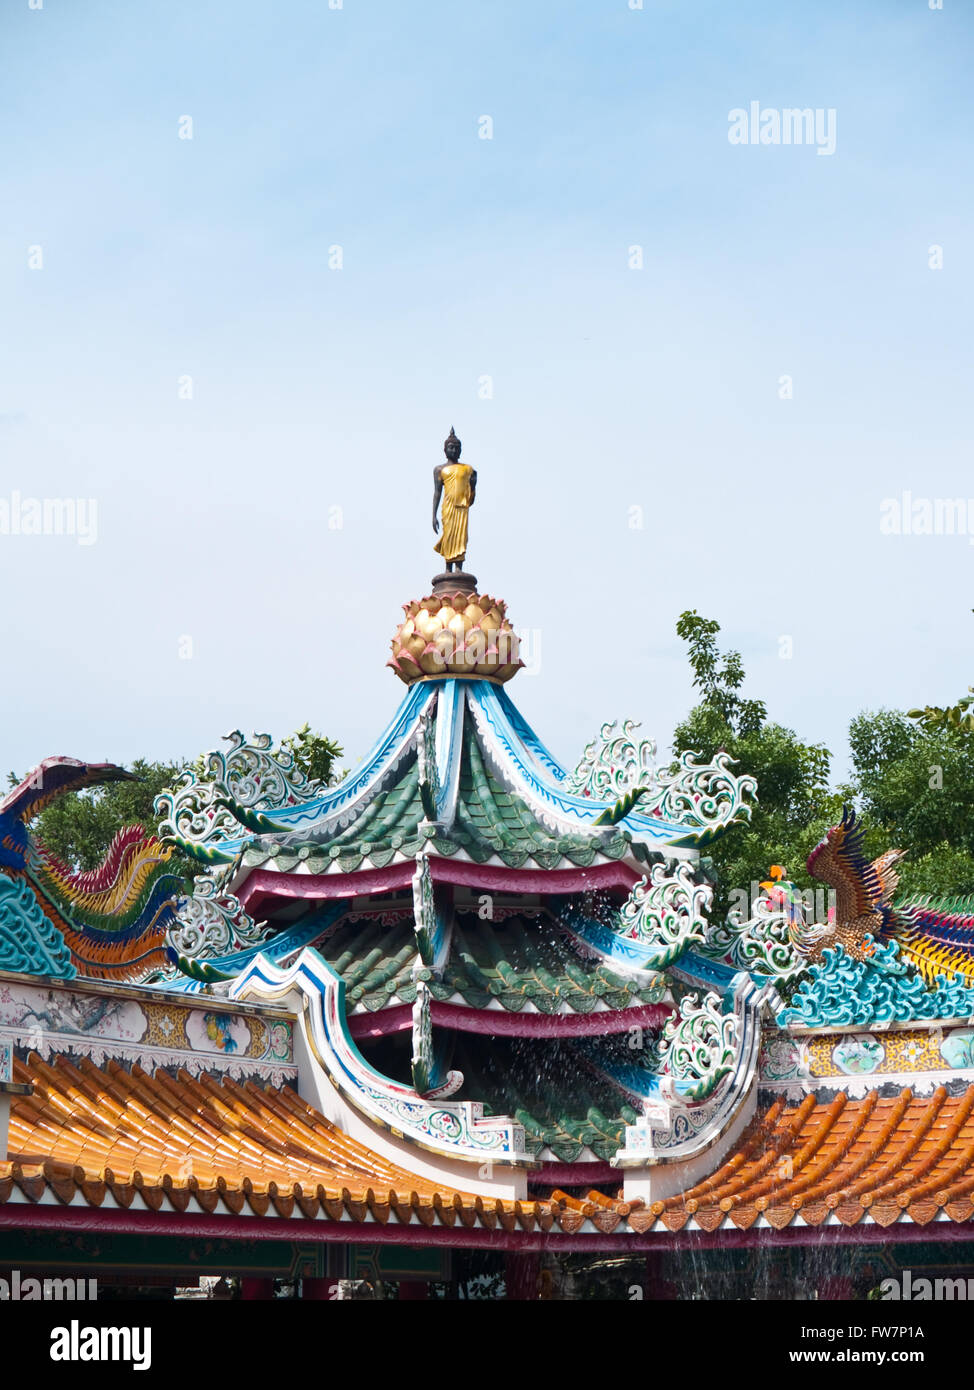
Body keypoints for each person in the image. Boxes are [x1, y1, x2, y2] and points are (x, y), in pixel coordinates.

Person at [432, 427, 477, 571]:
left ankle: (458, 567)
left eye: (457, 448)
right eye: (451, 447)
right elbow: (437, 492)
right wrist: (433, 515)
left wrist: (474, 485)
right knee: (449, 535)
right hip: (448, 507)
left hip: (462, 507)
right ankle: (448, 567)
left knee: (461, 537)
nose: (454, 450)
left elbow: (471, 497)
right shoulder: (440, 469)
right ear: (444, 450)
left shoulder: (467, 469)